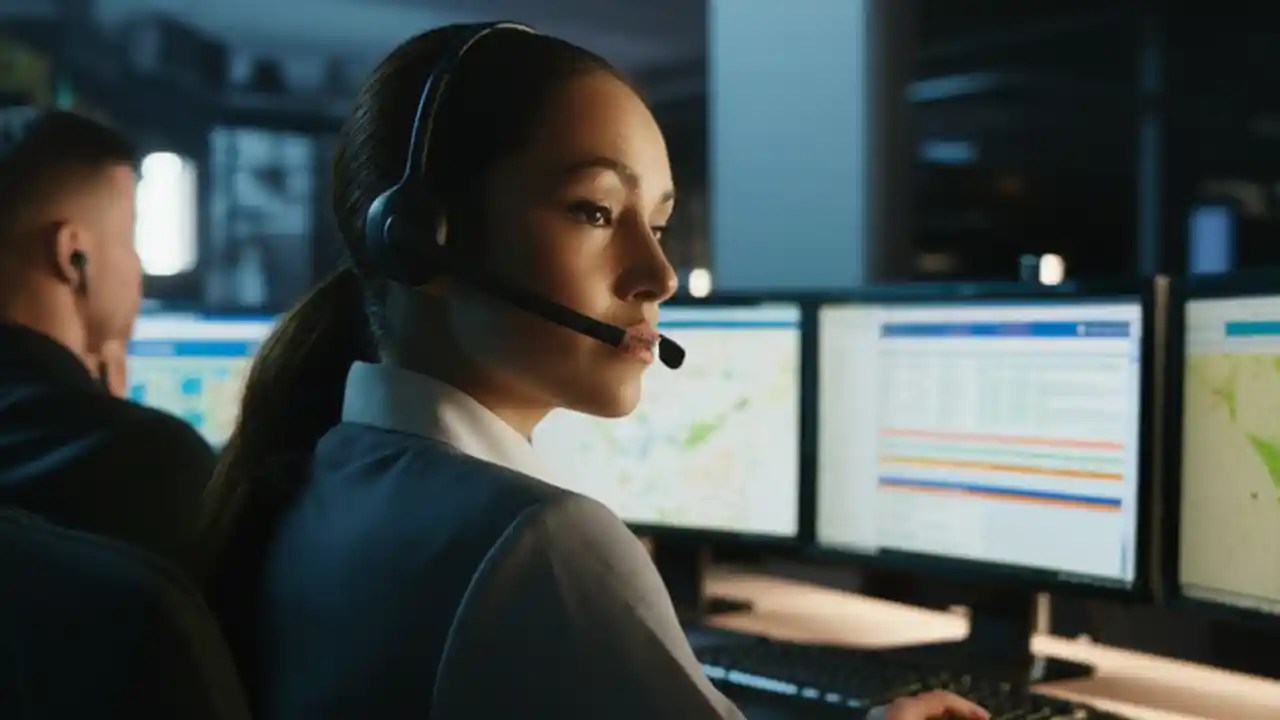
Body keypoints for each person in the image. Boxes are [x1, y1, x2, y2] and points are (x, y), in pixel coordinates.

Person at [201, 24, 988, 720]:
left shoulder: (312, 477)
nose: (660, 274)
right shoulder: (538, 542)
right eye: (596, 212)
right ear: (424, 241)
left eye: (660, 223)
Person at [0, 109, 216, 579]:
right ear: (71, 255)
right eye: (129, 238)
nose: (136, 271)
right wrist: (113, 418)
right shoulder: (152, 464)